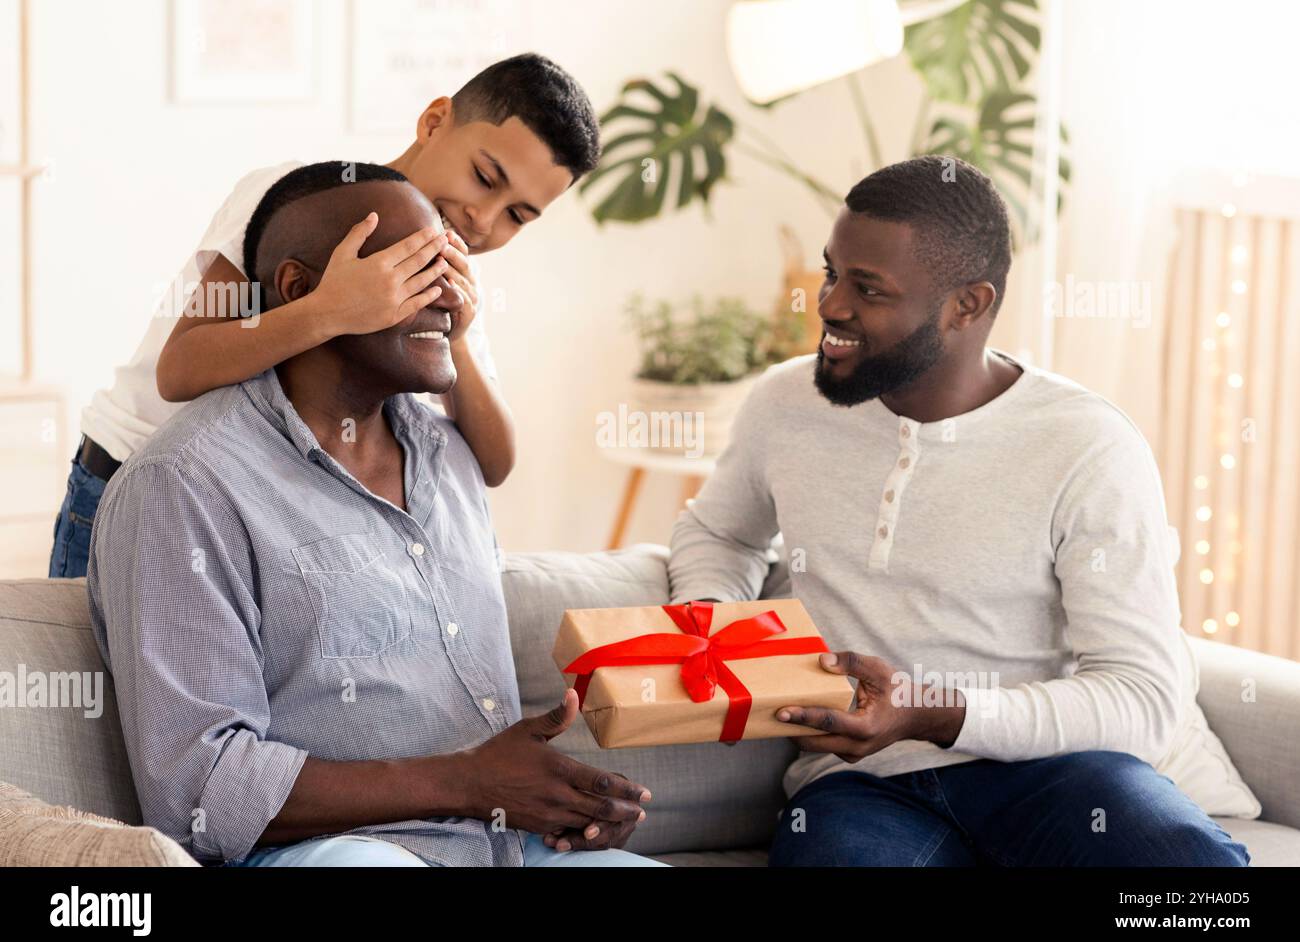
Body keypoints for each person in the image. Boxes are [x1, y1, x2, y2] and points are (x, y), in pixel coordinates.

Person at [668, 156, 1249, 867]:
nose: (828, 306)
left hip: (1058, 775)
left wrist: (933, 713)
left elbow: (1144, 699)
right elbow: (719, 531)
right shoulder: (785, 405)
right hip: (859, 785)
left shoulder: (1086, 445)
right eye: (832, 273)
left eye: (867, 288)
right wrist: (710, 630)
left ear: (966, 305)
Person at [87, 163, 663, 868]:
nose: (450, 294)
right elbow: (197, 789)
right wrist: (467, 781)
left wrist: (566, 800)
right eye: (414, 270)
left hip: (507, 848)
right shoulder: (183, 484)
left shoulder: (450, 460)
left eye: (450, 265)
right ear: (301, 291)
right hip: (339, 854)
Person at [51, 52, 597, 577]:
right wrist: (332, 309)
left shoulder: (447, 278)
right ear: (434, 122)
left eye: (518, 216)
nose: (483, 219)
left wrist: (460, 340)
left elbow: (495, 464)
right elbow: (180, 371)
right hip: (129, 484)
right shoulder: (293, 201)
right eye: (484, 176)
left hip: (256, 519)